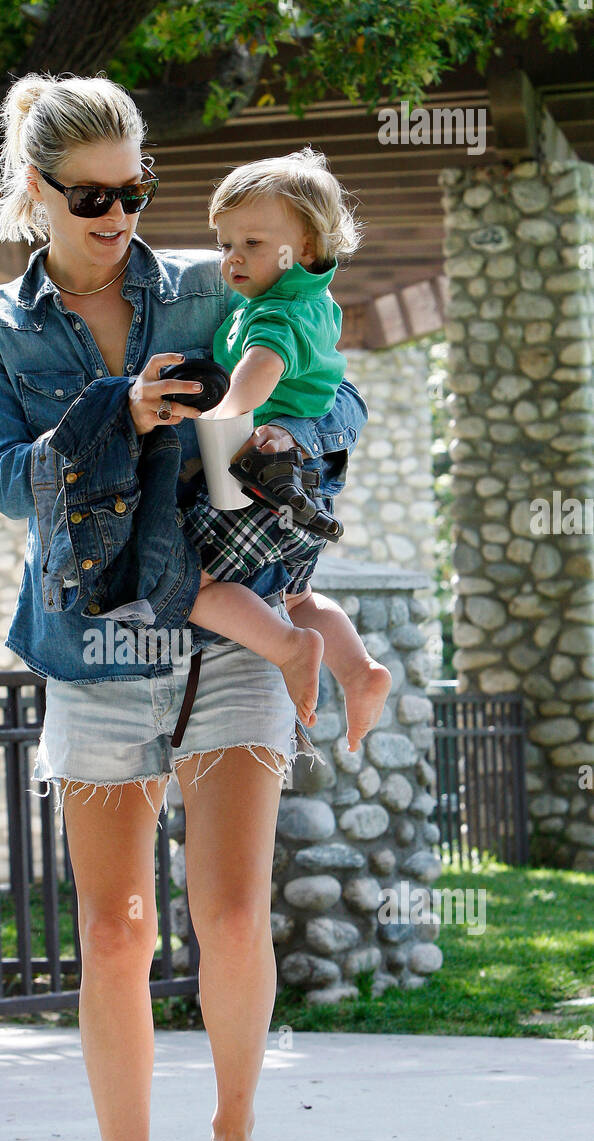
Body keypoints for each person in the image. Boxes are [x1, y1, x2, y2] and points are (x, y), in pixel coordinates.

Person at [0, 70, 368, 1141]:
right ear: (36, 191)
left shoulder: (204, 283)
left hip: (222, 636)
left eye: (136, 190)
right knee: (116, 934)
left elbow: (327, 380)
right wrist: (114, 415)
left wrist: (298, 440)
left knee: (233, 916)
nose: (119, 215)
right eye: (91, 195)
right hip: (90, 646)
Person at [182, 150, 391, 751]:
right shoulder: (315, 301)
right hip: (304, 485)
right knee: (295, 594)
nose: (232, 258)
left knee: (191, 585)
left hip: (262, 484)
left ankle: (288, 647)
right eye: (224, 244)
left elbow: (257, 372)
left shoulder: (277, 314)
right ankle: (358, 670)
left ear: (305, 247)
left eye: (251, 241)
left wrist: (222, 416)